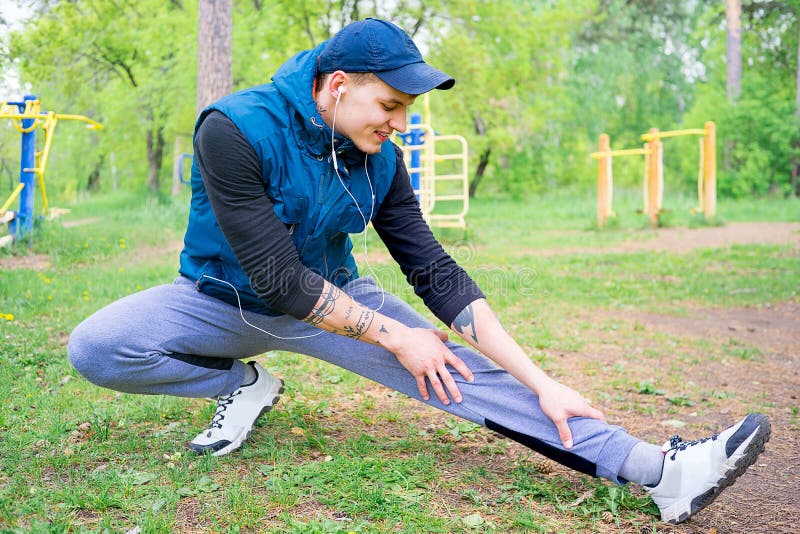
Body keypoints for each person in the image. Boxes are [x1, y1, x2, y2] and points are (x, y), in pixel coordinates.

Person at [68, 18, 770, 525]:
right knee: (96, 348)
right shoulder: (234, 128)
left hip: (334, 297)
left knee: (460, 372)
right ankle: (245, 382)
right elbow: (277, 279)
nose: (399, 122)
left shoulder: (379, 157)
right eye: (391, 106)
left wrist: (541, 380)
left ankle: (659, 471)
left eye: (407, 110)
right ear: (337, 86)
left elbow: (434, 271)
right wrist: (393, 335)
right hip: (221, 299)